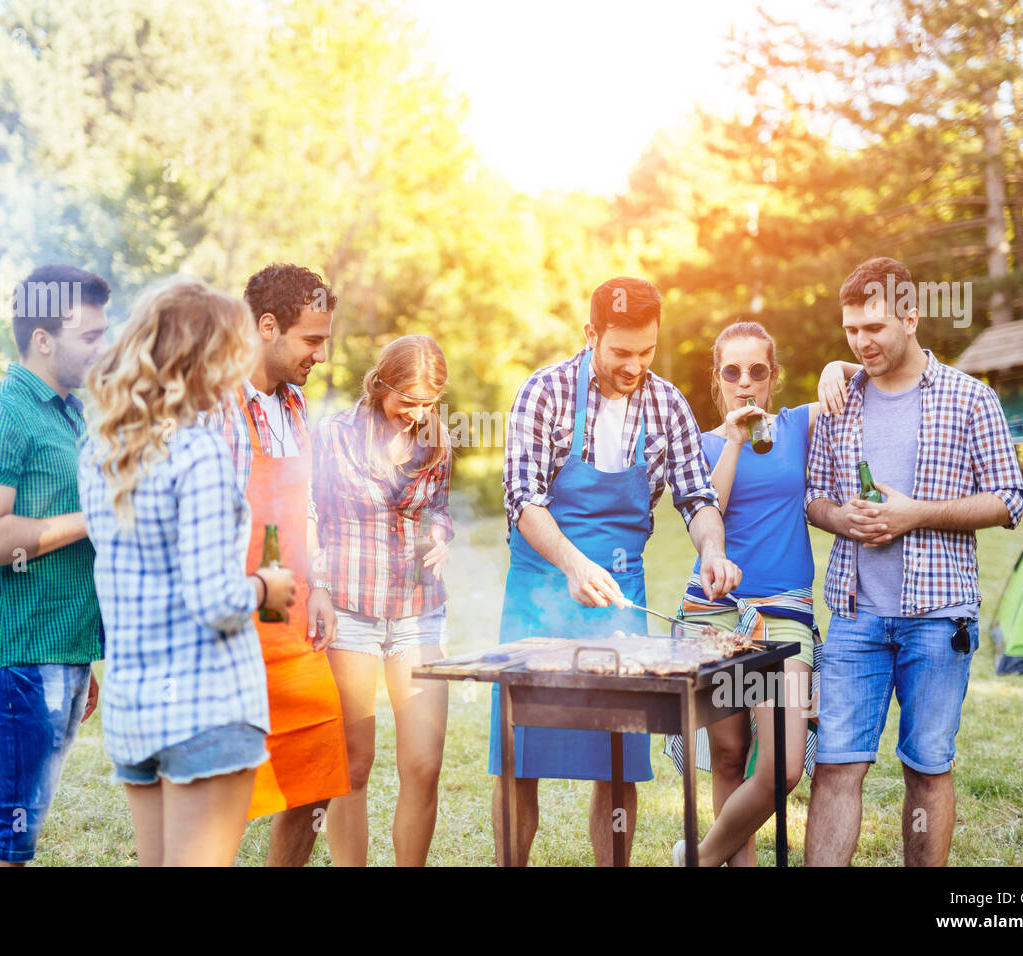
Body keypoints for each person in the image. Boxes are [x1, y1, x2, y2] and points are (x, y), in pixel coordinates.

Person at [492, 276, 740, 866]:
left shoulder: (667, 404)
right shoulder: (544, 393)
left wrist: (711, 550)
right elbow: (522, 501)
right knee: (519, 759)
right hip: (540, 595)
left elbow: (698, 498)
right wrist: (574, 565)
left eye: (646, 352)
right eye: (621, 352)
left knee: (618, 757)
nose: (634, 366)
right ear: (590, 335)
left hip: (620, 606)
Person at [804, 257, 1023, 866]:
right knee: (834, 768)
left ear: (911, 315)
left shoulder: (970, 397)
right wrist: (841, 519)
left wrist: (915, 513)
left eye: (873, 327)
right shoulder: (840, 401)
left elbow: (1009, 500)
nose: (861, 341)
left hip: (938, 618)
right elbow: (814, 496)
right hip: (854, 617)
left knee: (927, 770)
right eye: (851, 330)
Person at [78, 278, 295, 866]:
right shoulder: (197, 454)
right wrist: (265, 586)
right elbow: (215, 600)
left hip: (135, 711)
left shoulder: (101, 454)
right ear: (207, 360)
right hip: (206, 708)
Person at [665, 321, 859, 867]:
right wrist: (730, 438)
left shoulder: (795, 426)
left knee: (784, 766)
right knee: (730, 757)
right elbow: (711, 509)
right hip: (717, 616)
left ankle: (699, 860)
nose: (744, 382)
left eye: (757, 371)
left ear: (773, 377)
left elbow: (865, 376)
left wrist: (832, 368)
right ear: (717, 379)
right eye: (732, 371)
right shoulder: (703, 444)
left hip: (784, 616)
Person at [0, 263, 109, 866]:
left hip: (52, 650)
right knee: (8, 823)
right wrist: (98, 513)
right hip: (14, 649)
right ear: (43, 339)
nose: (103, 348)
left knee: (24, 818)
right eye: (89, 337)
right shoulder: (1, 413)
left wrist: (76, 657)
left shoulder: (67, 413)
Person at [205, 262, 350, 866]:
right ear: (267, 326)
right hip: (232, 620)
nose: (321, 354)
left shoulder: (295, 407)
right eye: (312, 340)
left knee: (314, 774)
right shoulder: (214, 403)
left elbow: (306, 505)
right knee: (222, 786)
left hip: (291, 619)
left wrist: (315, 583)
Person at [314, 335, 454, 867]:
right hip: (351, 609)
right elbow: (312, 514)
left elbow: (438, 508)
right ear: (380, 385)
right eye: (408, 401)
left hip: (420, 612)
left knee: (423, 764)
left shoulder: (436, 440)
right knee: (353, 762)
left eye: (428, 403)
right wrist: (318, 587)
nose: (416, 415)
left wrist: (441, 536)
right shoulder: (333, 436)